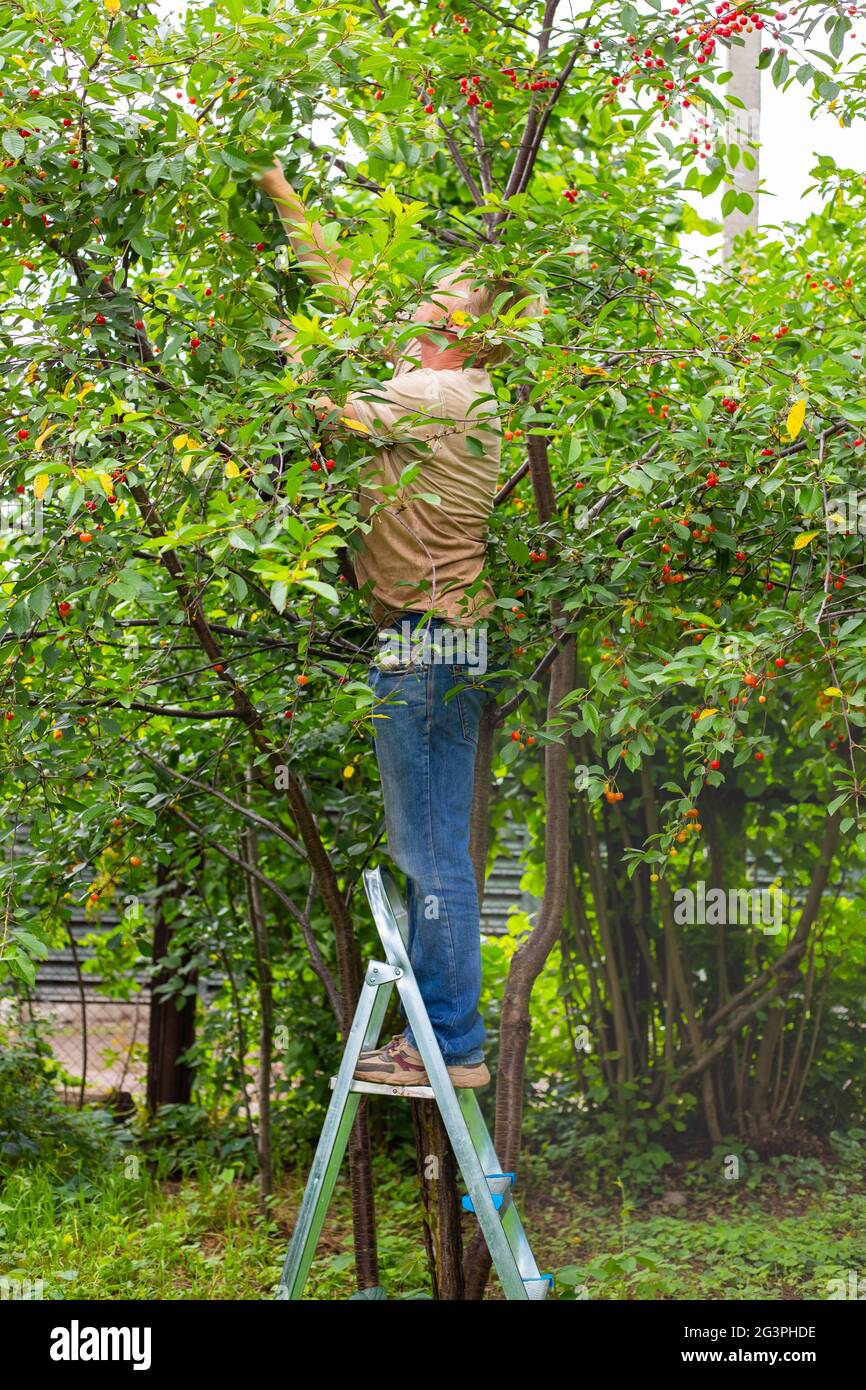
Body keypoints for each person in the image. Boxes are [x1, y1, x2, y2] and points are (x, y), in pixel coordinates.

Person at [256, 159, 539, 1089]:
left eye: (440, 300)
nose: (421, 303)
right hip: (445, 641)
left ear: (462, 328)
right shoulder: (438, 385)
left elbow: (319, 405)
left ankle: (447, 1046)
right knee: (435, 844)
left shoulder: (441, 399)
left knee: (429, 853)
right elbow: (346, 289)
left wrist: (282, 351)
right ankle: (441, 1037)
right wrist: (282, 195)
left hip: (425, 642)